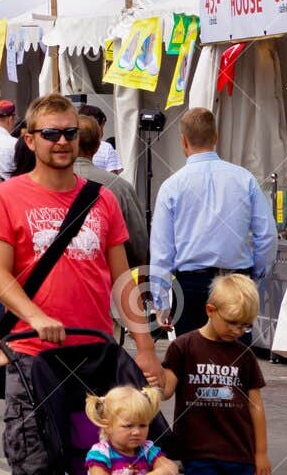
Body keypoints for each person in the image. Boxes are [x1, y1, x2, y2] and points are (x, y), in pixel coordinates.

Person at [0, 93, 160, 475]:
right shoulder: (7, 196)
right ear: (30, 138)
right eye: (52, 134)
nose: (63, 142)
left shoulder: (102, 198)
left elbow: (124, 280)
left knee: (88, 459)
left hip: (96, 351)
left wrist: (146, 349)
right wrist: (34, 314)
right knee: (39, 465)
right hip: (32, 353)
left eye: (71, 134)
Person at [160, 272, 269, 475]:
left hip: (237, 450)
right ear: (210, 310)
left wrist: (260, 452)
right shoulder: (184, 347)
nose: (237, 330)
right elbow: (167, 389)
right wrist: (156, 380)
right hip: (197, 449)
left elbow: (255, 406)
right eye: (232, 322)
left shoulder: (244, 355)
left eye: (245, 325)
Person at [150, 108, 276, 337]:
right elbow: (266, 234)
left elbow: (161, 250)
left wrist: (161, 302)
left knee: (192, 363)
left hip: (190, 286)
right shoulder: (244, 179)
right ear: (216, 138)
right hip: (237, 280)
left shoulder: (171, 186)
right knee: (236, 363)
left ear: (183, 141)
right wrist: (255, 276)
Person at [74, 117, 148, 272]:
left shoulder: (46, 184)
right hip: (109, 277)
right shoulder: (121, 187)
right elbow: (138, 242)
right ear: (97, 146)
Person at [78, 103, 123, 174]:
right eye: (102, 126)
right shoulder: (106, 148)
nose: (102, 130)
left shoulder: (71, 144)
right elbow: (113, 177)